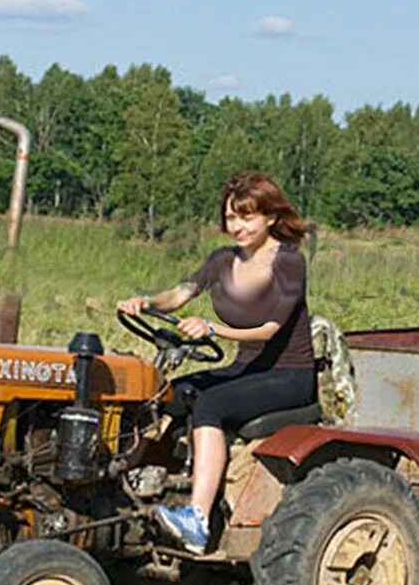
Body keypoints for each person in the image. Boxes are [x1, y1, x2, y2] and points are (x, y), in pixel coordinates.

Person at [116, 171, 317, 554]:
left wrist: (213, 329)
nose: (236, 227)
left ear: (271, 217)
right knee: (170, 392)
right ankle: (133, 490)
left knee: (212, 402)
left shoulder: (289, 263)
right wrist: (144, 301)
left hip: (287, 375)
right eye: (231, 217)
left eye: (246, 217)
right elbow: (180, 294)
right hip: (246, 370)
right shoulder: (222, 260)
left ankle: (198, 518)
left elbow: (270, 329)